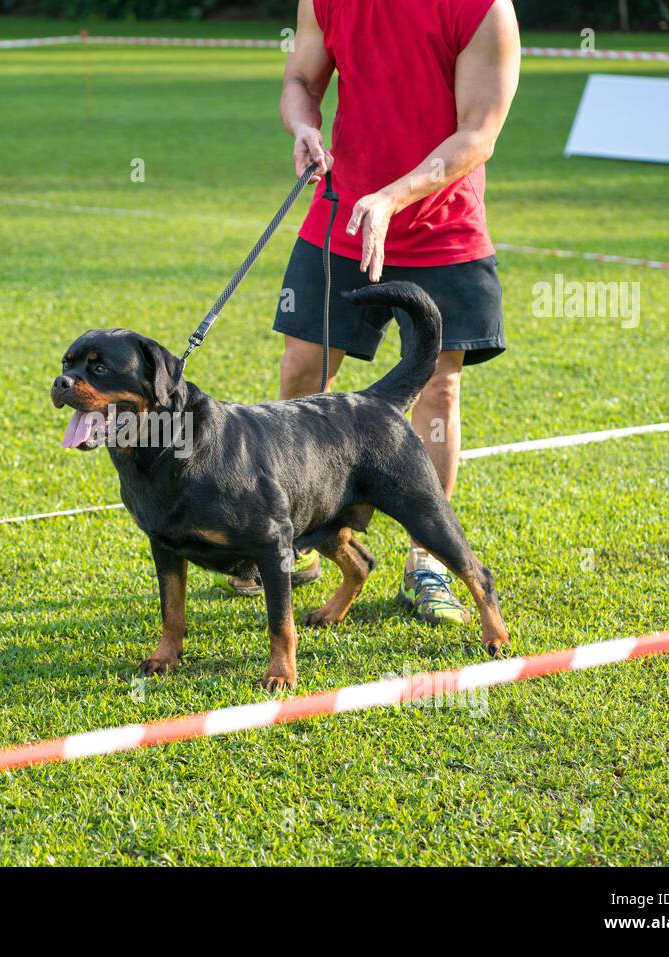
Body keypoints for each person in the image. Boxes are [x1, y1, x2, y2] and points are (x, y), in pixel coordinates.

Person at [220, 0, 521, 628]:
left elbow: (478, 133)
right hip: (341, 216)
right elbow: (301, 81)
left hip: (441, 225)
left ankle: (426, 561)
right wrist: (302, 126)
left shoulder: (484, 9)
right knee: (302, 367)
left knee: (437, 384)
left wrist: (392, 196)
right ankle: (293, 535)